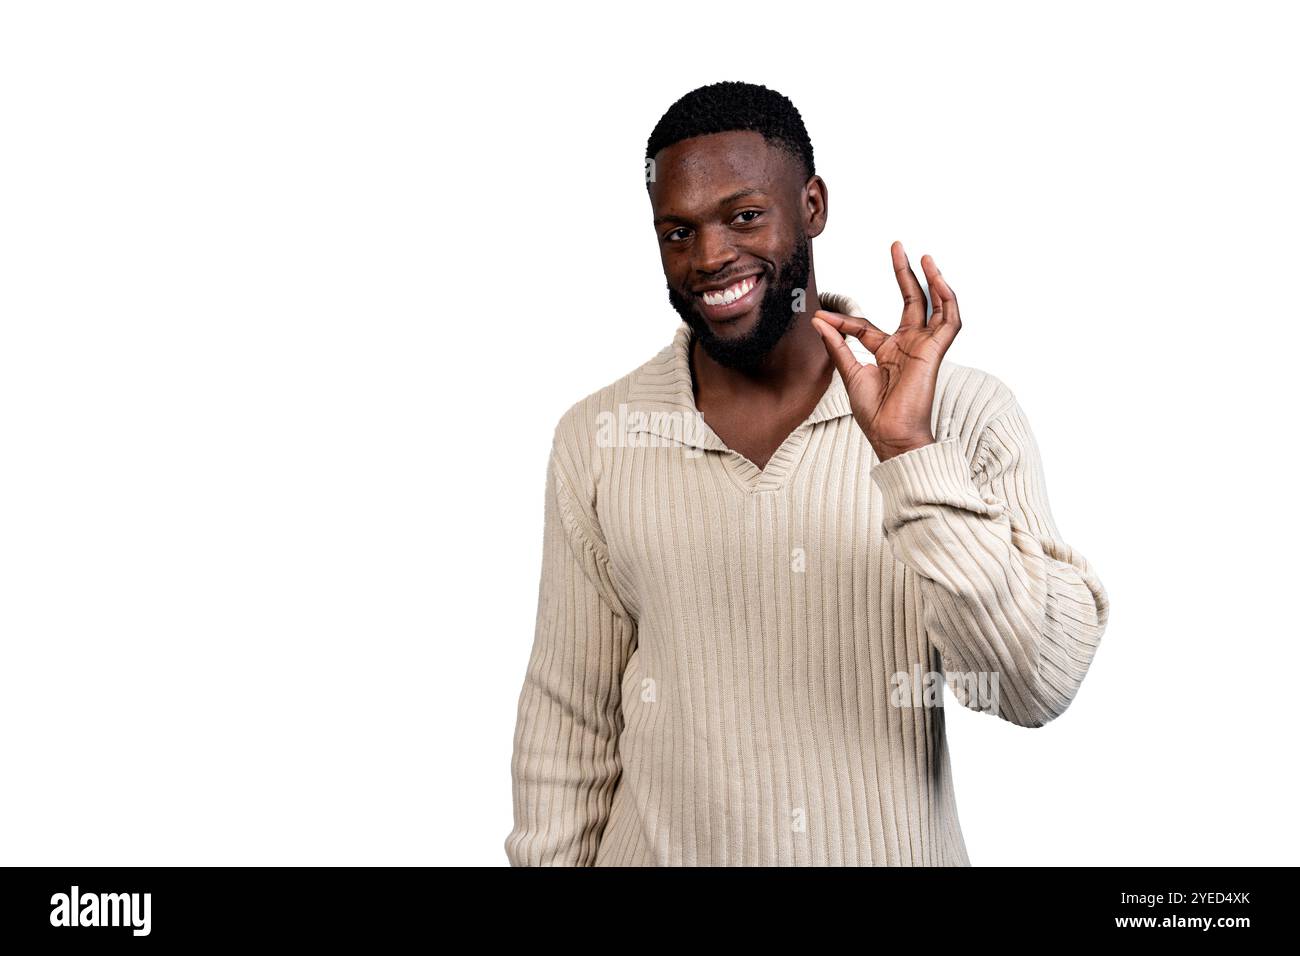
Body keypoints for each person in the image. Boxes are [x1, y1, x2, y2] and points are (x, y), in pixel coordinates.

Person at [504, 80, 1110, 866]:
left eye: (744, 215)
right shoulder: (598, 437)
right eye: (677, 231)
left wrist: (909, 456)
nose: (710, 256)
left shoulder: (960, 415)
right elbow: (568, 721)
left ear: (813, 206)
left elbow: (1038, 683)